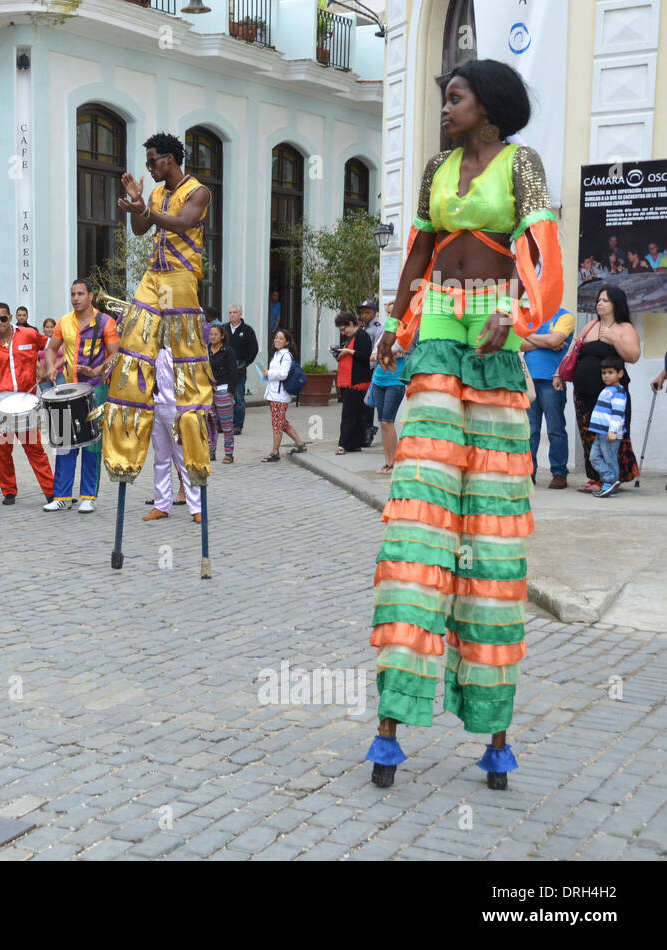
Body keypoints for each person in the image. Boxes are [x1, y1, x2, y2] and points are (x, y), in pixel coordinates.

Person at [368, 60, 565, 790]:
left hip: (495, 331)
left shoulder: (522, 165)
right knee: (418, 524)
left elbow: (541, 252)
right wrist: (393, 326)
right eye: (444, 98)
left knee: (491, 530)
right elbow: (419, 252)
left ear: (489, 106)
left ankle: (496, 736)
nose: (445, 108)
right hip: (439, 328)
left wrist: (514, 314)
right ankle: (390, 724)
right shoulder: (435, 170)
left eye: (455, 98)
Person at [103, 131, 211, 518]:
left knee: (185, 355)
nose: (149, 167)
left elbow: (181, 223)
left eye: (153, 161)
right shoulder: (156, 193)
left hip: (180, 277)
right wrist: (137, 204)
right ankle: (129, 413)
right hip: (154, 275)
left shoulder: (198, 191)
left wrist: (145, 211)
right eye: (147, 163)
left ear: (170, 158)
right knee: (134, 337)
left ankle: (195, 496)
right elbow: (140, 229)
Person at [43, 280, 119, 512]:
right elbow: (51, 349)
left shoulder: (106, 322)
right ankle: (62, 496)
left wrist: (98, 370)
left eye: (80, 294)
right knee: (65, 442)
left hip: (96, 388)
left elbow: (115, 354)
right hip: (68, 387)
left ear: (90, 296)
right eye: (73, 294)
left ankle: (88, 496)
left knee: (91, 443)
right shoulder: (64, 322)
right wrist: (50, 366)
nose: (76, 298)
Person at [0, 302, 55, 505]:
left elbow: (51, 346)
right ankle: (9, 491)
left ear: (10, 318)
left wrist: (46, 367)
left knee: (34, 448)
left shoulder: (28, 334)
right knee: (2, 450)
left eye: (3, 318)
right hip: (1, 403)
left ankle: (52, 491)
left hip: (25, 401)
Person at [572, 284, 641, 491]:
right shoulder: (590, 326)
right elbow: (574, 351)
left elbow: (633, 356)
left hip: (611, 396)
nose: (599, 303)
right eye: (599, 300)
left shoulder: (625, 328)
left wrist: (614, 339)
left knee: (610, 436)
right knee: (588, 436)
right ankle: (595, 478)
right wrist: (559, 373)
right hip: (583, 393)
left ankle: (611, 478)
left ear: (615, 304)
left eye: (605, 300)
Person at [144, 342, 202, 522]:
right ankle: (161, 505)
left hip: (176, 406)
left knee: (184, 457)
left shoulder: (183, 345)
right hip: (156, 405)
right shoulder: (153, 346)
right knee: (160, 458)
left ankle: (197, 506)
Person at [520, 305, 574, 488]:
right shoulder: (530, 316)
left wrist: (531, 337)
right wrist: (547, 342)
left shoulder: (565, 317)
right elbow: (519, 343)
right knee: (530, 431)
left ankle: (559, 473)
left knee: (555, 429)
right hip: (529, 381)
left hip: (552, 380)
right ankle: (529, 473)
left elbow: (555, 339)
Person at [262, 329, 307, 461]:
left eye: (281, 338)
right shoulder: (277, 354)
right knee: (282, 423)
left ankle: (275, 452)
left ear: (287, 342)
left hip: (280, 396)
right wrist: (267, 373)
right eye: (276, 337)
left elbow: (283, 374)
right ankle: (300, 444)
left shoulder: (286, 356)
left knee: (277, 424)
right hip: (274, 394)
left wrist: (269, 373)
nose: (277, 340)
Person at [589, 357, 629, 498]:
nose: (606, 376)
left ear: (620, 373)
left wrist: (613, 431)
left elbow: (617, 413)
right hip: (600, 432)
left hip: (609, 433)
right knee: (594, 457)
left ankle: (609, 483)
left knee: (610, 459)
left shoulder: (618, 392)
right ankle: (611, 479)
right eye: (604, 372)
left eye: (610, 372)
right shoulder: (607, 389)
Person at [333, 311, 372, 454]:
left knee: (348, 414)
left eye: (344, 329)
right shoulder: (352, 337)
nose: (343, 333)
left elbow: (366, 356)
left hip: (356, 381)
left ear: (351, 323)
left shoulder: (362, 335)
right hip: (348, 380)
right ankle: (354, 444)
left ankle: (342, 445)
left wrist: (349, 352)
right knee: (354, 413)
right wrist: (338, 353)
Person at [369, 337, 407, 475]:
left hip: (395, 381)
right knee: (382, 423)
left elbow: (400, 351)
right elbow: (373, 356)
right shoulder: (384, 336)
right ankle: (387, 462)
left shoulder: (403, 334)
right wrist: (385, 356)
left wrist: (384, 356)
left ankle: (394, 463)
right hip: (378, 381)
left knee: (387, 421)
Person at [222, 303, 257, 433]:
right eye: (230, 312)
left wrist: (245, 362)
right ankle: (222, 424)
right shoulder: (223, 329)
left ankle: (237, 425)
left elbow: (253, 349)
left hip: (239, 370)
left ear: (240, 314)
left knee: (239, 398)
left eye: (234, 312)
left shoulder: (247, 330)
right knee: (222, 397)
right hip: (223, 370)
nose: (232, 315)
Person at [206, 324, 235, 464]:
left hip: (223, 390)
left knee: (226, 425)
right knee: (209, 423)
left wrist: (230, 392)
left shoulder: (228, 351)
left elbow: (233, 372)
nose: (212, 337)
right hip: (208, 391)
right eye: (211, 334)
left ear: (222, 336)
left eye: (215, 334)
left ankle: (229, 453)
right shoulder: (205, 350)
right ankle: (211, 451)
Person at [358, 298, 383, 445]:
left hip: (371, 368)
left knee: (368, 401)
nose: (364, 315)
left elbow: (376, 349)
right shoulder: (363, 328)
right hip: (361, 367)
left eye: (367, 312)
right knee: (361, 401)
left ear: (374, 312)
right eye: (362, 312)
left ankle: (368, 429)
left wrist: (369, 365)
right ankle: (362, 429)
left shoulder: (379, 328)